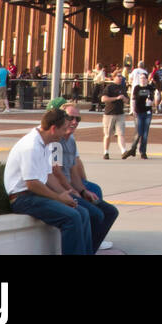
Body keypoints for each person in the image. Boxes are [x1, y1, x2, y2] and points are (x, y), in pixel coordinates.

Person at [5, 108, 92, 255]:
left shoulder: (45, 143)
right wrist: (58, 198)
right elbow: (32, 183)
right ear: (53, 129)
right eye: (63, 129)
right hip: (23, 198)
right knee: (72, 217)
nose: (65, 133)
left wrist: (66, 194)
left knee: (83, 212)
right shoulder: (31, 146)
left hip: (35, 195)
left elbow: (48, 176)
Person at [47, 99, 119, 251]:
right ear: (61, 119)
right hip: (59, 191)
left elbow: (74, 171)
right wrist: (73, 191)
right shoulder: (56, 141)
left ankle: (90, 249)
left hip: (70, 188)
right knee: (94, 214)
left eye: (77, 119)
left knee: (110, 212)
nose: (74, 122)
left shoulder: (71, 140)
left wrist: (83, 190)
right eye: (70, 118)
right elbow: (56, 172)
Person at [100, 67, 129, 159]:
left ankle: (123, 151)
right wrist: (116, 98)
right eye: (118, 76)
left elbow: (127, 101)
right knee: (108, 135)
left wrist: (124, 99)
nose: (120, 78)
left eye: (121, 76)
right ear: (114, 77)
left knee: (121, 133)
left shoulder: (122, 88)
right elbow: (103, 99)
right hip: (109, 114)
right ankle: (106, 152)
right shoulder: (109, 87)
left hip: (120, 114)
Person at [124, 78, 153, 159]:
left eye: (144, 78)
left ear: (147, 79)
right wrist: (133, 110)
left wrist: (150, 101)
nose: (142, 80)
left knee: (145, 134)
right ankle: (133, 149)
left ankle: (143, 152)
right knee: (139, 132)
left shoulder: (150, 87)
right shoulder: (137, 88)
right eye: (141, 78)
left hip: (147, 113)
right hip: (138, 112)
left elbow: (152, 99)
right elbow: (133, 99)